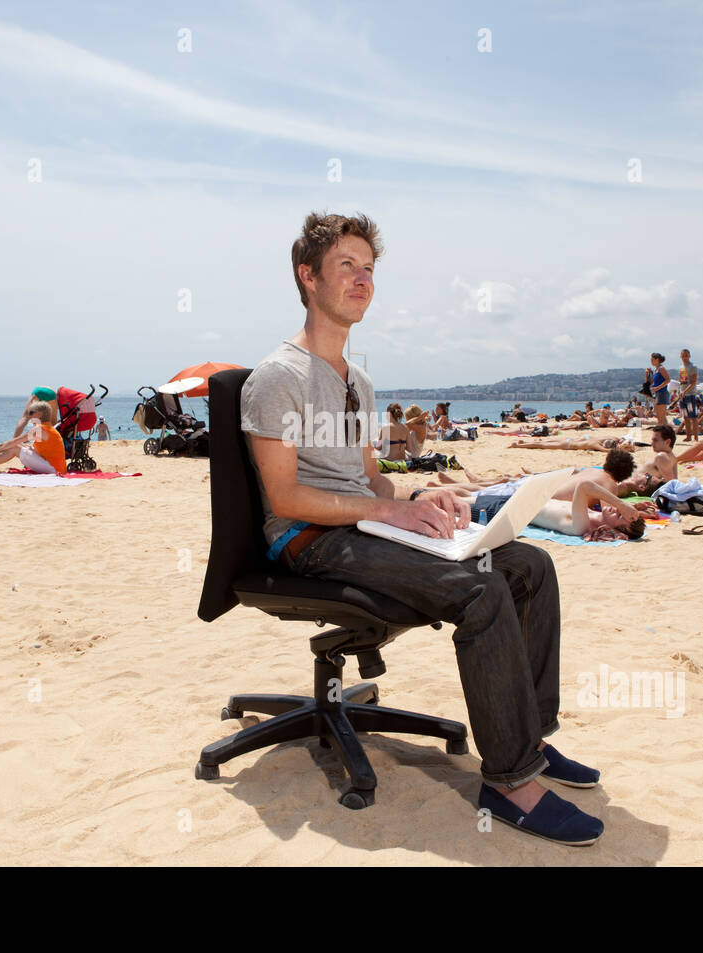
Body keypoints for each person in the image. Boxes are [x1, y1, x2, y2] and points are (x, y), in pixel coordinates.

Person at [239, 211, 603, 845]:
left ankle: (533, 743)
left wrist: (419, 495)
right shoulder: (278, 377)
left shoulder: (361, 383)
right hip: (307, 540)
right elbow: (285, 493)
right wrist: (386, 511)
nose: (362, 280)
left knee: (528, 566)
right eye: (346, 266)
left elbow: (370, 481)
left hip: (363, 527)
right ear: (308, 277)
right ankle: (511, 780)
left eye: (369, 269)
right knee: (480, 592)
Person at [0, 402, 66, 474]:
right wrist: (3, 446)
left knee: (14, 448)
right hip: (55, 467)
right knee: (16, 446)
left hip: (53, 469)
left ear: (39, 414)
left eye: (31, 413)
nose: (29, 416)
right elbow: (19, 442)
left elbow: (15, 441)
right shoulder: (48, 428)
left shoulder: (39, 429)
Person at [676, 349, 700, 443]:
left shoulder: (692, 367)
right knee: (685, 416)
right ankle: (688, 436)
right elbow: (682, 381)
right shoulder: (681, 367)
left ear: (689, 356)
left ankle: (696, 437)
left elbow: (693, 382)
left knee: (693, 416)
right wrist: (680, 391)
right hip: (682, 394)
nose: (684, 357)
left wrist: (685, 391)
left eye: (686, 355)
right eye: (683, 355)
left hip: (690, 394)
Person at [649, 353, 671, 425]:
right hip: (658, 393)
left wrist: (657, 388)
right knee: (659, 415)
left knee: (661, 415)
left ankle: (664, 431)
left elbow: (668, 380)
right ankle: (664, 430)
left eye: (652, 359)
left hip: (662, 392)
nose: (651, 361)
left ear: (657, 359)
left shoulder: (661, 368)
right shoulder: (656, 370)